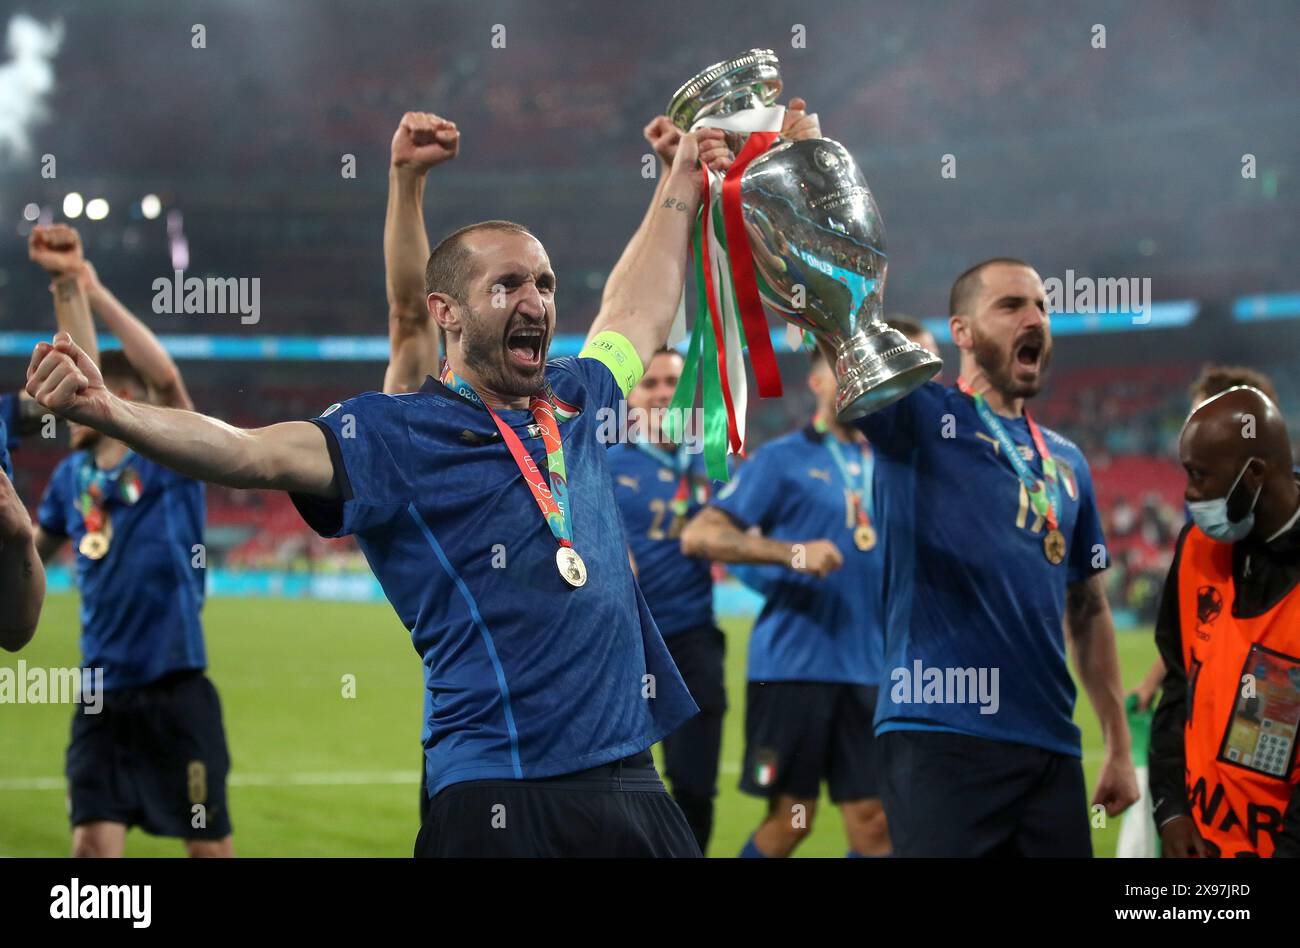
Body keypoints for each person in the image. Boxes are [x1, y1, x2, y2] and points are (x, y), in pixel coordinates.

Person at [27, 128, 730, 858]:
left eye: (545, 284)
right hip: (501, 788)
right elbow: (253, 452)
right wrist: (110, 409)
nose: (535, 300)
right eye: (508, 284)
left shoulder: (578, 395)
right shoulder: (395, 432)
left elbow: (638, 309)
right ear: (448, 312)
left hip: (631, 780)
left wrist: (680, 173)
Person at [845, 257, 1138, 856]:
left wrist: (1117, 744)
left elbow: (1087, 607)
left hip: (1050, 747)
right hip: (940, 733)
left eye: (1042, 308)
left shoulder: (1067, 460)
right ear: (962, 332)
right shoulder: (920, 418)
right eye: (1010, 306)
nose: (1034, 319)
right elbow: (844, 345)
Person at [28, 228, 233, 858]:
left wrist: (91, 286)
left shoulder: (168, 460)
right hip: (100, 694)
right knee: (91, 852)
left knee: (209, 851)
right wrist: (63, 282)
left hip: (177, 690)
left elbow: (167, 382)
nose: (68, 409)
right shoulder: (70, 481)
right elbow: (29, 559)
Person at [682, 346, 891, 857]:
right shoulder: (781, 459)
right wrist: (793, 554)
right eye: (840, 375)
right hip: (795, 670)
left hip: (871, 671)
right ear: (817, 384)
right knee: (793, 820)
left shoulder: (887, 463)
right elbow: (702, 535)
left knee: (875, 822)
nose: (854, 385)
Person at [1150, 386, 1300, 858]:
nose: (1190, 492)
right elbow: (1177, 685)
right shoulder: (1196, 546)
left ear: (1254, 475)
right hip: (1200, 844)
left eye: (1200, 475)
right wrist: (1171, 809)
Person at [610, 346, 722, 852]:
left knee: (696, 786)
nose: (660, 393)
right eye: (649, 384)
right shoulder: (605, 463)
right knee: (622, 786)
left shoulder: (713, 458)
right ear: (631, 396)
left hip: (695, 638)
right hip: (626, 643)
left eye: (671, 383)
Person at [1128, 364, 1280, 711]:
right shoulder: (1203, 520)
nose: (1190, 430)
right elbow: (1199, 623)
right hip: (1210, 705)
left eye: (1201, 416)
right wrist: (1153, 682)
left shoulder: (1282, 518)